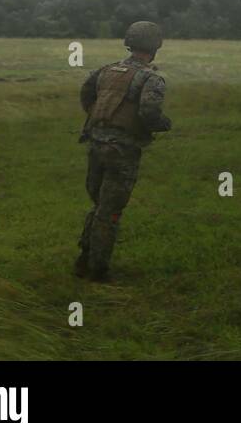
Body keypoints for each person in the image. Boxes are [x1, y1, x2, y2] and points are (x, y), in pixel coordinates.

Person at [74, 21, 172, 281]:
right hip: (122, 150)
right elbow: (149, 112)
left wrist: (100, 119)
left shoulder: (106, 71)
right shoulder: (151, 78)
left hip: (95, 142)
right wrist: (163, 125)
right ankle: (98, 270)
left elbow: (86, 95)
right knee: (110, 210)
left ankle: (84, 259)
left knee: (99, 205)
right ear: (154, 47)